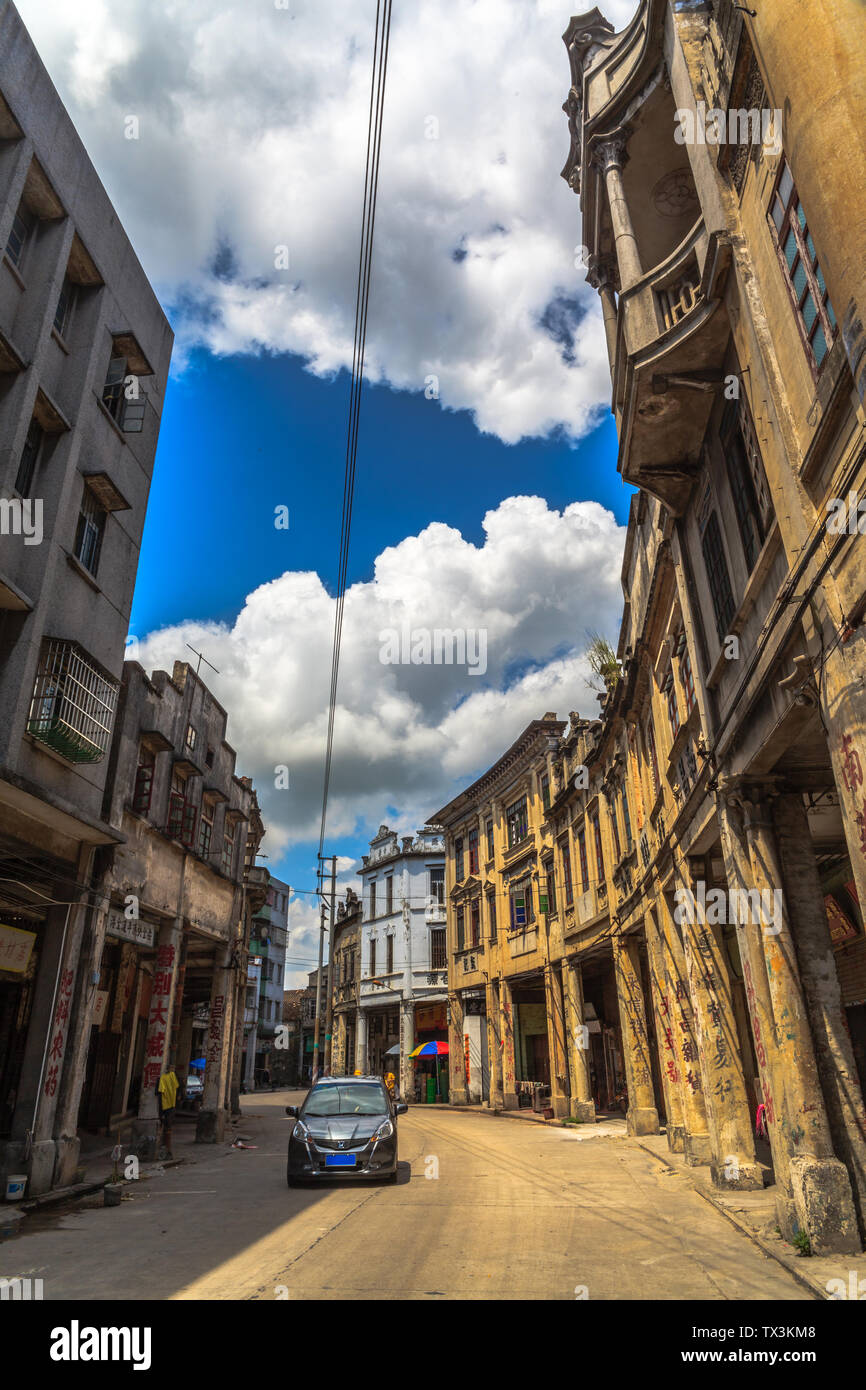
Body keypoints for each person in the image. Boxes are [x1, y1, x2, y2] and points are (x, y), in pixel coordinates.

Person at [157, 1063, 180, 1159]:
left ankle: (166, 1149)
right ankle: (166, 1150)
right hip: (168, 1105)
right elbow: (177, 1088)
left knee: (166, 1127)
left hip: (166, 1105)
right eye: (172, 1068)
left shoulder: (165, 1077)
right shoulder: (171, 1077)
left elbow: (159, 1092)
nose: (173, 1070)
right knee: (167, 1127)